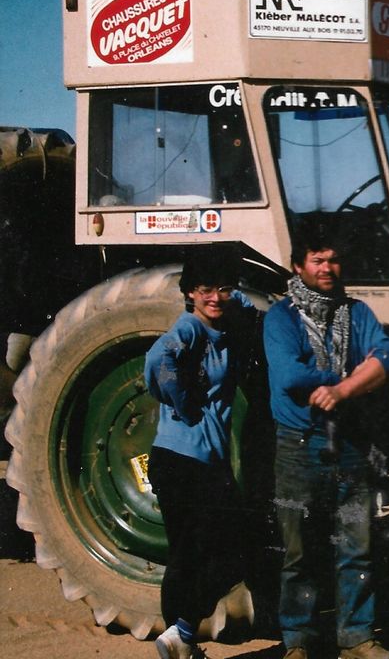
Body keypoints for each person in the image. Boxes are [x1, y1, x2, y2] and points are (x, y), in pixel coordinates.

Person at [264, 225, 389, 659]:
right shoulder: (280, 318)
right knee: (298, 551)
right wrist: (352, 378)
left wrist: (342, 391)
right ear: (298, 266)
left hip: (351, 446)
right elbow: (289, 375)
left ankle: (356, 636)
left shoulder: (357, 313)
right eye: (317, 260)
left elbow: (386, 358)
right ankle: (298, 641)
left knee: (355, 546)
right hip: (298, 448)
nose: (327, 268)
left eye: (332, 259)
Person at [147, 252, 258, 659]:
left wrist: (233, 295)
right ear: (190, 292)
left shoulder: (219, 325)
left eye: (222, 288)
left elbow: (242, 303)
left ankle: (181, 639)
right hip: (185, 460)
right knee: (218, 552)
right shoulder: (191, 327)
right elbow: (158, 358)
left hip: (196, 459)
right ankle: (183, 632)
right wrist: (181, 398)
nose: (215, 297)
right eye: (206, 289)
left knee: (189, 553)